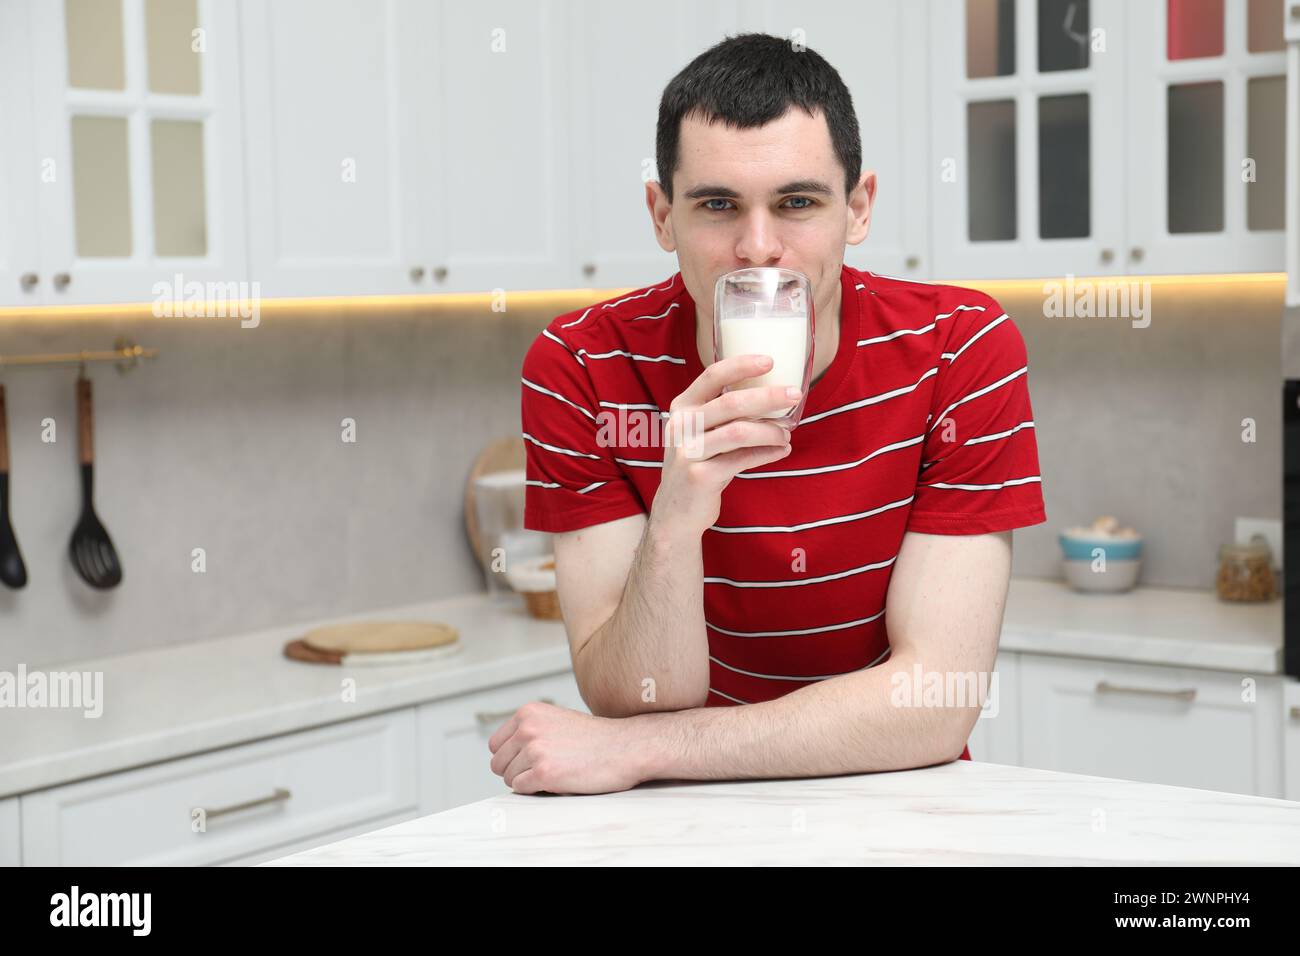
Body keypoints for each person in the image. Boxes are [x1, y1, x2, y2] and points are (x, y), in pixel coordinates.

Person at [491, 33, 1046, 795]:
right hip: (677, 820)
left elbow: (933, 703)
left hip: (890, 796)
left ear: (857, 208)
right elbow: (637, 695)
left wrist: (642, 751)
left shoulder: (959, 349)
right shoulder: (580, 367)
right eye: (718, 205)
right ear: (662, 217)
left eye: (797, 203)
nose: (759, 249)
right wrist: (676, 520)